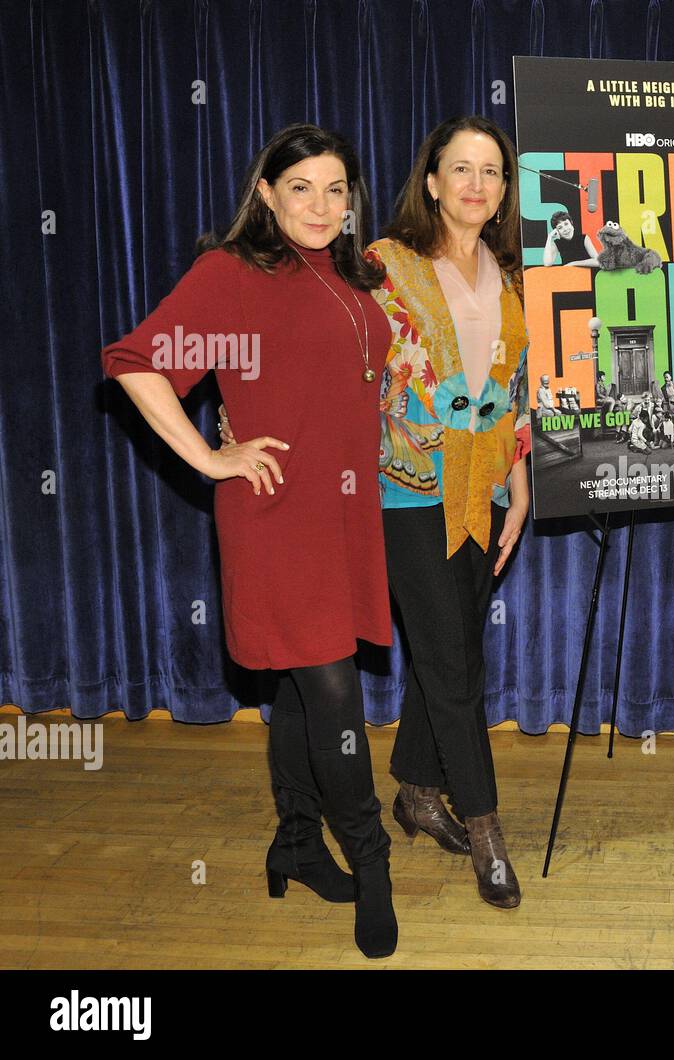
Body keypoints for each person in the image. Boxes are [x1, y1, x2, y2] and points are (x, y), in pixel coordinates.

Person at [102, 124, 398, 959]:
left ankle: (296, 842)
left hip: (344, 512)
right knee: (334, 690)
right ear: (264, 194)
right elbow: (135, 361)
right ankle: (370, 863)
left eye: (337, 189)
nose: (320, 204)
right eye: (300, 186)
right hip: (276, 514)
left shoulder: (350, 275)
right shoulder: (232, 274)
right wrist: (209, 456)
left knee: (305, 690)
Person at [367, 116, 531, 910]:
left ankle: (416, 791)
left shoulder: (512, 272)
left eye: (491, 171)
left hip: (488, 486)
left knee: (447, 650)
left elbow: (519, 388)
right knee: (457, 667)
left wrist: (521, 483)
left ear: (504, 190)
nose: (476, 183)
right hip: (409, 488)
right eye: (460, 169)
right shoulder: (386, 266)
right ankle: (486, 828)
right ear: (430, 181)